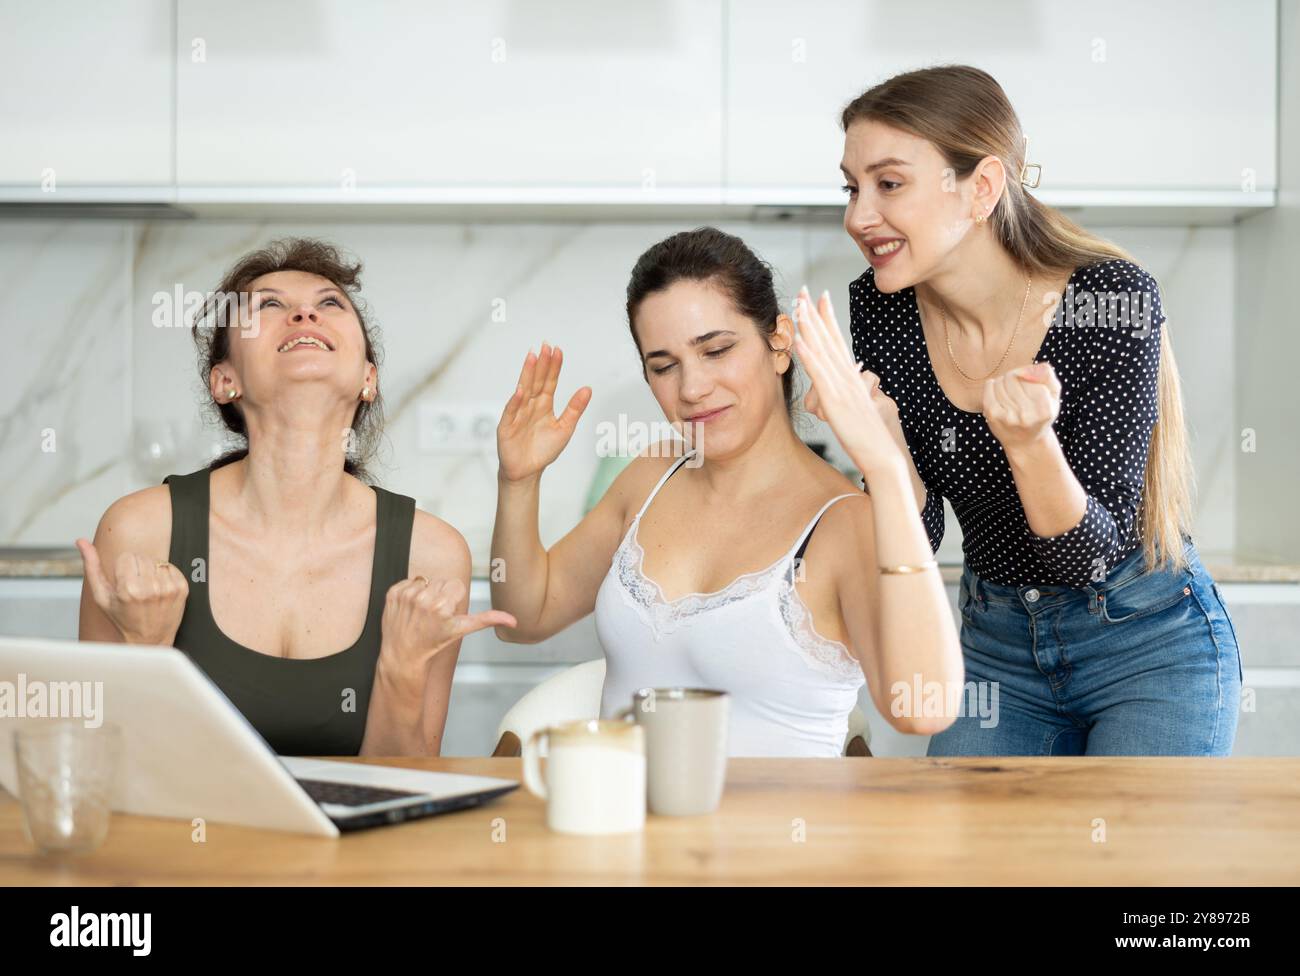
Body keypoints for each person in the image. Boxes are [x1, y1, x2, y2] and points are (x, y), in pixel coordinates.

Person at [835, 65, 1241, 755]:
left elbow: (1087, 556)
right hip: (994, 647)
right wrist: (884, 447)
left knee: (1124, 867)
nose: (858, 216)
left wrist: (1030, 446)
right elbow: (921, 532)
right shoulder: (884, 307)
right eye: (851, 187)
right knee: (961, 865)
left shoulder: (1108, 300)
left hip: (1145, 643)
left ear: (982, 187)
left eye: (889, 184)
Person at [490, 227, 963, 757]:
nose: (691, 389)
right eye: (663, 366)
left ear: (779, 343)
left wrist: (887, 467)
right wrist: (518, 480)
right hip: (628, 833)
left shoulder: (844, 522)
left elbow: (923, 709)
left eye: (716, 350)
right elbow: (524, 618)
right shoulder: (654, 474)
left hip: (779, 836)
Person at [76, 238, 513, 756]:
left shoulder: (430, 555)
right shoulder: (141, 534)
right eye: (269, 305)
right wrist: (144, 652)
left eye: (330, 304)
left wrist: (402, 667)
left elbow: (404, 788)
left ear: (368, 378)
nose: (305, 313)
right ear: (225, 380)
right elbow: (93, 770)